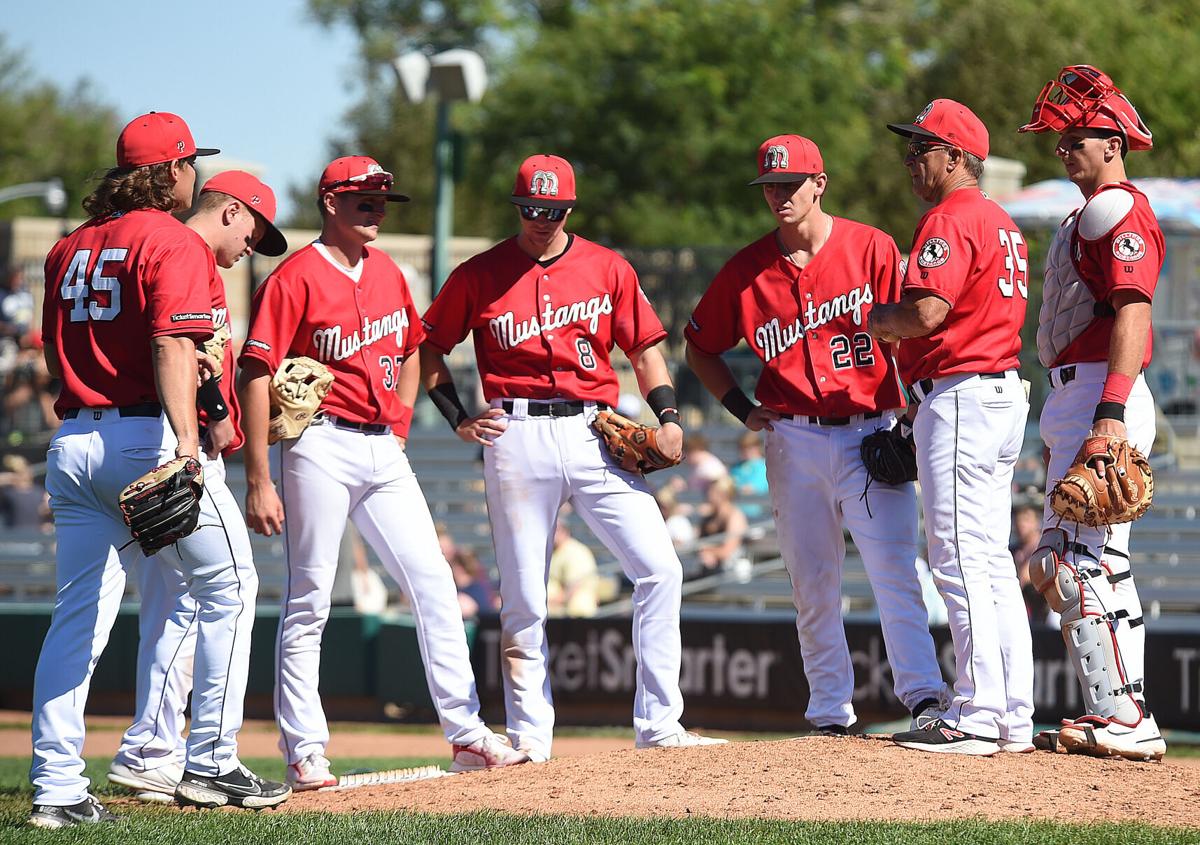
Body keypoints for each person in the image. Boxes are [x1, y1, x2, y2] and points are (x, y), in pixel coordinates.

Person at [29, 112, 290, 828]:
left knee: (78, 618)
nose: (192, 174)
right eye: (187, 164)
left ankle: (55, 788)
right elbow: (173, 344)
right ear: (171, 172)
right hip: (147, 437)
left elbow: (57, 351)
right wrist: (185, 441)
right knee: (231, 584)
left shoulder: (67, 247)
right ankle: (209, 760)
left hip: (76, 438)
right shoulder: (171, 238)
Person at [419, 153, 725, 760]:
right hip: (516, 432)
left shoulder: (606, 267)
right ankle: (531, 739)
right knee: (526, 597)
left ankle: (661, 725)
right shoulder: (480, 273)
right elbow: (429, 347)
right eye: (531, 208)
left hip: (595, 430)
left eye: (552, 210)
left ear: (568, 209)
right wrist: (457, 417)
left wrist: (667, 417)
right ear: (518, 206)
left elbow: (643, 349)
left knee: (661, 569)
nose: (540, 218)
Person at [237, 155, 527, 788]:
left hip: (380, 448)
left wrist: (398, 422)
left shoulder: (391, 273)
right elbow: (255, 372)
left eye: (380, 201)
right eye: (362, 199)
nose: (374, 209)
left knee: (435, 585)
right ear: (330, 203)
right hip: (316, 444)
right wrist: (259, 475)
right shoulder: (293, 278)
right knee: (309, 599)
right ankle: (305, 749)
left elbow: (413, 348)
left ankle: (467, 734)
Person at [686, 134, 948, 735]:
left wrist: (911, 407)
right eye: (770, 186)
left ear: (819, 184)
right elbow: (699, 344)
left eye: (791, 183)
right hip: (792, 436)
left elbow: (920, 324)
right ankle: (830, 711)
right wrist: (739, 407)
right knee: (812, 582)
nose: (779, 195)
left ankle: (926, 700)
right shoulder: (747, 269)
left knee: (895, 572)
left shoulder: (872, 247)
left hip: (870, 430)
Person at [106, 170, 289, 803]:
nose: (250, 251)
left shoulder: (144, 250)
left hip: (130, 440)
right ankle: (211, 756)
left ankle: (148, 752)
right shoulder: (191, 258)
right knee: (232, 587)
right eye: (255, 233)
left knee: (174, 605)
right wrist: (216, 428)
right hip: (174, 448)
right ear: (233, 213)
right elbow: (188, 359)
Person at [870, 100, 1033, 755]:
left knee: (960, 555)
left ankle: (974, 711)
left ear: (957, 157)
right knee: (991, 559)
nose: (912, 161)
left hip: (964, 393)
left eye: (923, 149)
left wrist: (877, 319)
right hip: (998, 393)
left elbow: (928, 311)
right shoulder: (1002, 221)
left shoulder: (951, 216)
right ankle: (1013, 714)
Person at [1018, 65, 1166, 761]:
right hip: (1075, 393)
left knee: (1069, 564)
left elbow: (1133, 309)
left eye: (1078, 136)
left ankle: (1123, 715)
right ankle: (1126, 710)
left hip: (1100, 393)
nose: (1066, 148)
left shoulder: (1116, 208)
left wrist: (1108, 413)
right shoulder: (1090, 211)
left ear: (1114, 142)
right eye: (1061, 139)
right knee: (1090, 564)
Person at [695, 476, 747, 577]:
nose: (708, 495)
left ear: (723, 494)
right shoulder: (709, 516)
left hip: (729, 568)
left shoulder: (735, 516)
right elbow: (697, 542)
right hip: (708, 565)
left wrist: (708, 552)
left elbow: (728, 550)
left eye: (712, 491)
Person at [547, 515, 599, 617]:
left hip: (576, 607)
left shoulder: (575, 551)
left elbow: (573, 587)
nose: (552, 534)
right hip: (557, 606)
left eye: (556, 530)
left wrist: (550, 601)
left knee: (580, 603)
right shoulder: (553, 551)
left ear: (565, 531)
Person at [729, 430, 769, 518]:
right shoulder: (736, 467)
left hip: (757, 516)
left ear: (757, 447)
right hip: (735, 513)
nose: (745, 451)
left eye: (749, 447)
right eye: (742, 448)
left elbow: (751, 489)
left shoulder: (763, 466)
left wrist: (733, 489)